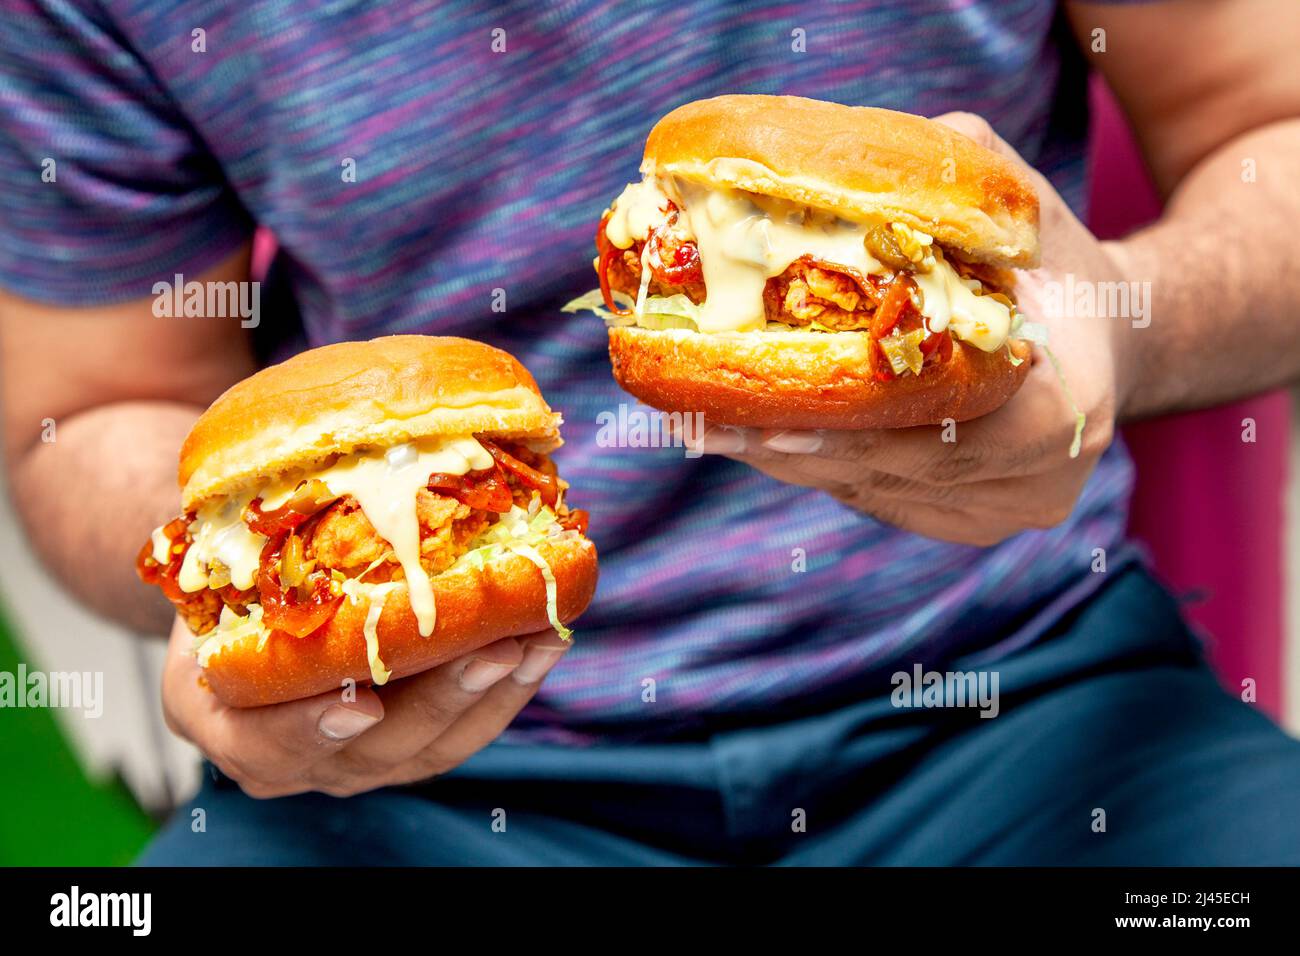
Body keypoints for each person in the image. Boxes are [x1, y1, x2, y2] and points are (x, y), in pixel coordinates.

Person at [2, 0, 1299, 865]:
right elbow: (84, 412)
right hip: (415, 793)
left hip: (1035, 692)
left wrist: (1126, 334)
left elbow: (1271, 119)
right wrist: (247, 602)